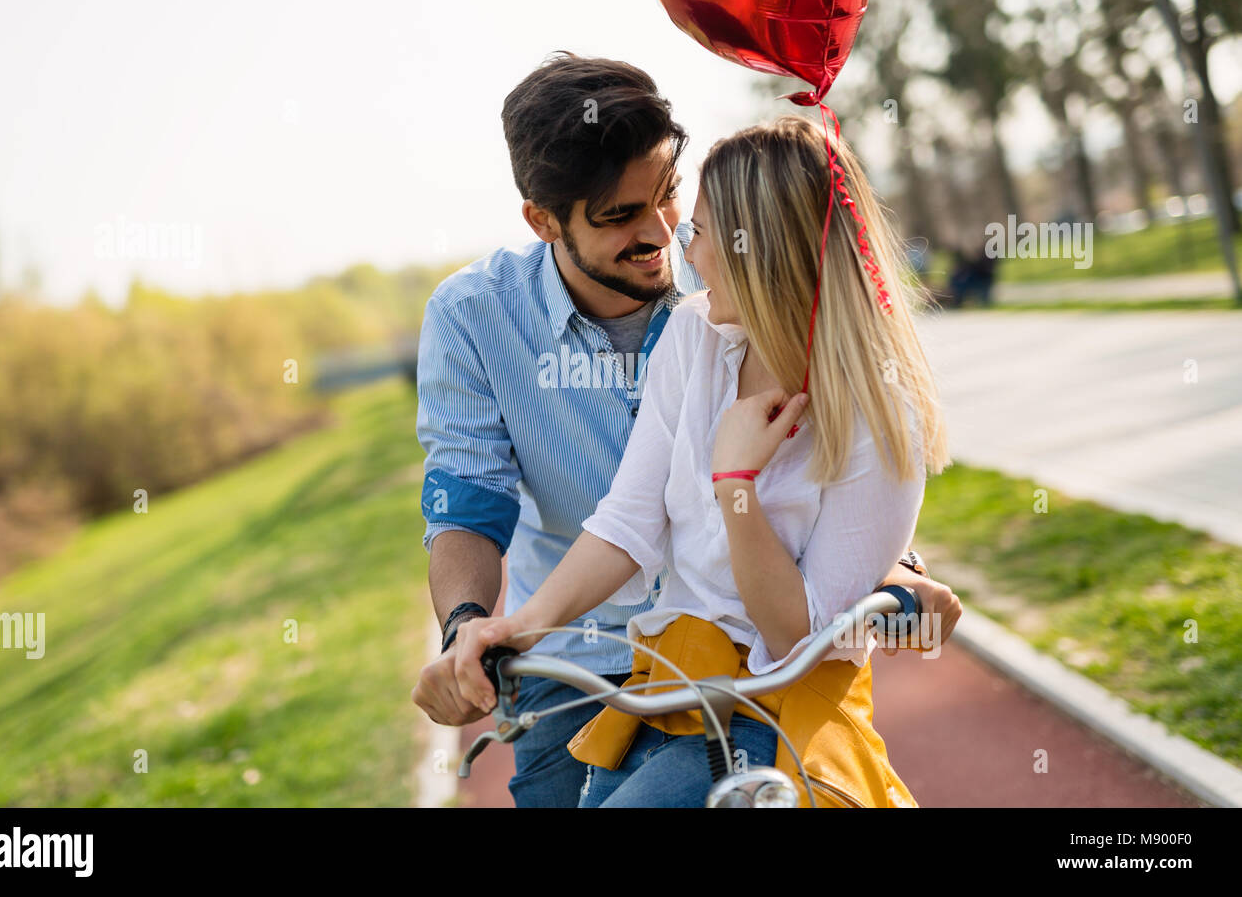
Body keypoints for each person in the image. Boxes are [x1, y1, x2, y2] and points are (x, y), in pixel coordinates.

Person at [412, 53, 962, 807]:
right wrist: (488, 629)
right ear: (544, 222)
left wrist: (878, 565)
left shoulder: (721, 295)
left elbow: (817, 566)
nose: (667, 238)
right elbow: (497, 504)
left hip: (759, 680)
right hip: (583, 653)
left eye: (670, 198)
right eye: (620, 216)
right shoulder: (483, 316)